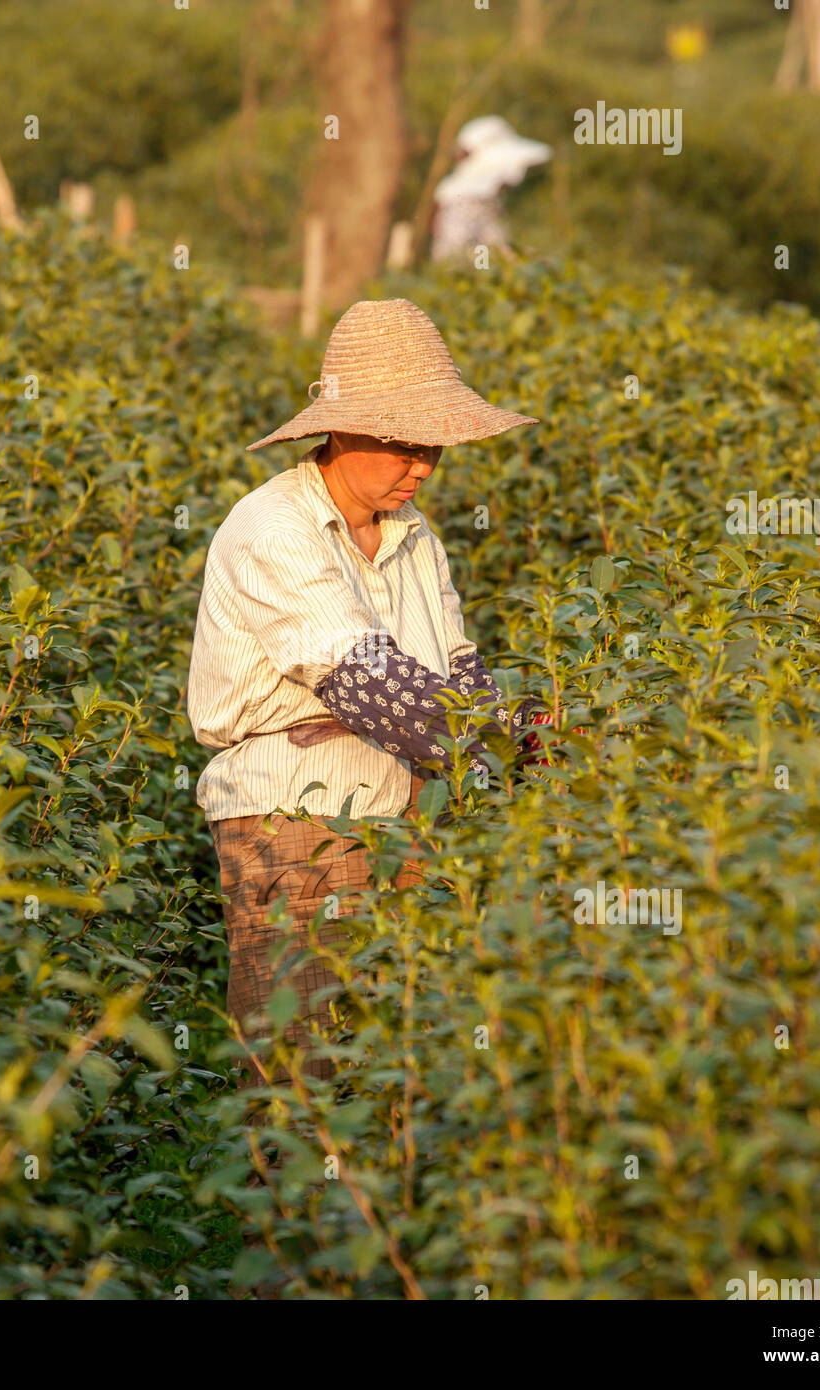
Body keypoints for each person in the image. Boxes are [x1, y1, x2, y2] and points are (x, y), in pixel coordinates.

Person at [187, 297, 551, 1087]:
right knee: (305, 1061)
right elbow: (369, 685)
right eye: (401, 445)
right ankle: (283, 1208)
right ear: (340, 430)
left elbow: (456, 670)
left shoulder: (416, 536)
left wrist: (523, 724)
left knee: (397, 1055)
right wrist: (522, 747)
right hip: (293, 828)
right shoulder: (274, 528)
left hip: (403, 815)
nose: (420, 466)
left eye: (432, 448)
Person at [431, 115, 552, 265]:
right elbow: (454, 254)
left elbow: (492, 242)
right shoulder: (463, 202)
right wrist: (510, 258)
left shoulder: (486, 201)